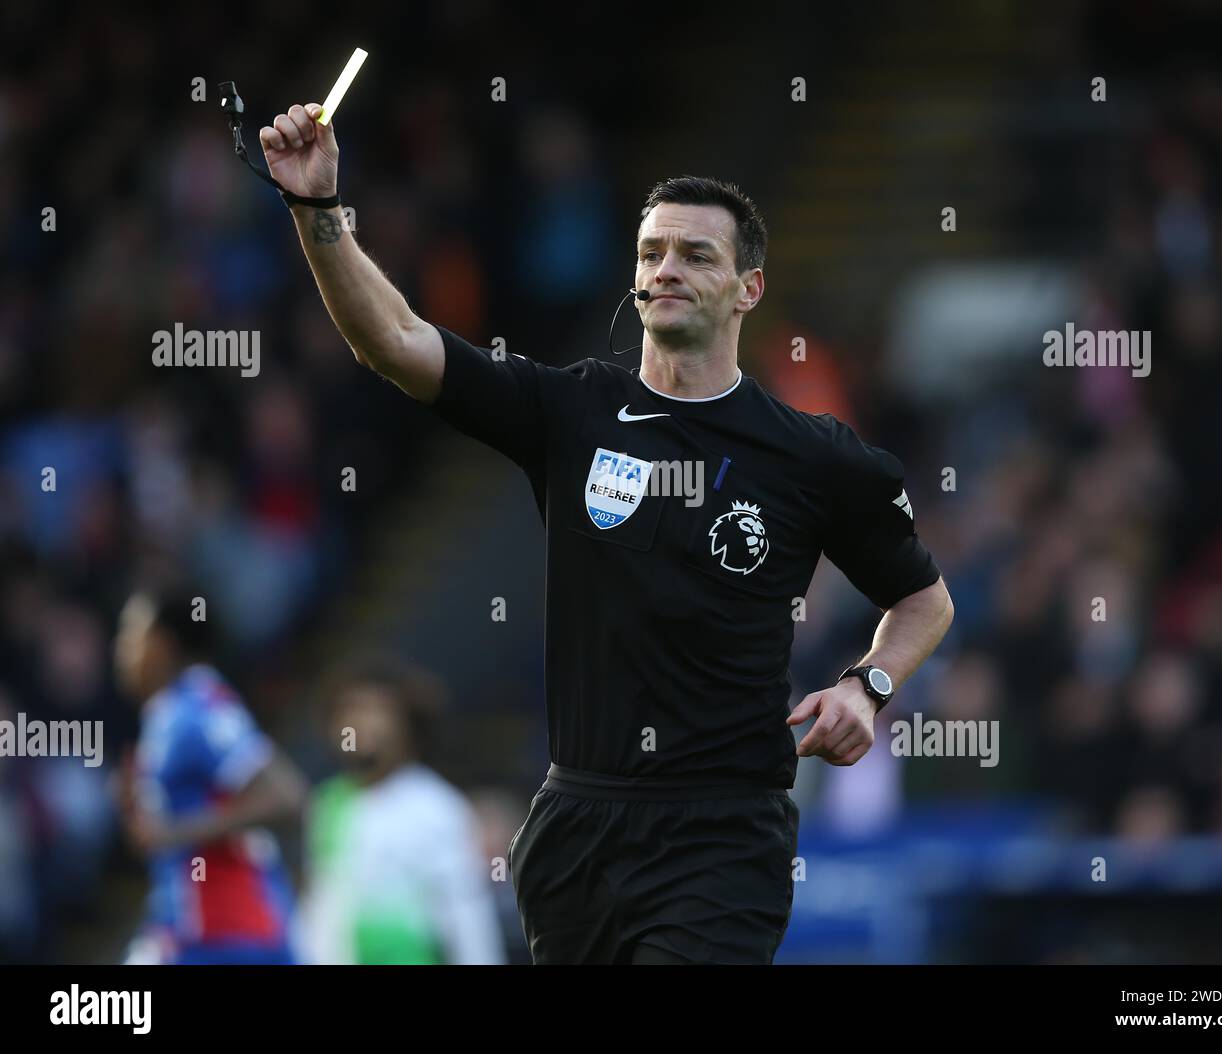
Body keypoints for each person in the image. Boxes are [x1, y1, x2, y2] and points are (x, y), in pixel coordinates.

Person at [259, 104, 954, 964]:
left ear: (749, 288)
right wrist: (318, 209)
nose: (667, 269)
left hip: (723, 833)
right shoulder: (571, 409)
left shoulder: (814, 456)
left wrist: (868, 684)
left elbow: (923, 597)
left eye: (697, 255)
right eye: (652, 252)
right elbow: (394, 341)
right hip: (576, 826)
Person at [114, 586, 306, 965]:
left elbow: (287, 797)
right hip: (192, 930)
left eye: (131, 634)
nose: (120, 649)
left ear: (163, 644)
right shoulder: (166, 714)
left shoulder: (199, 707)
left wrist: (173, 832)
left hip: (229, 930)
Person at [294, 659, 505, 964]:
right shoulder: (327, 804)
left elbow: (466, 915)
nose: (359, 723)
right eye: (349, 710)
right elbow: (323, 906)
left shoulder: (436, 808)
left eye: (376, 711)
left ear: (409, 727)